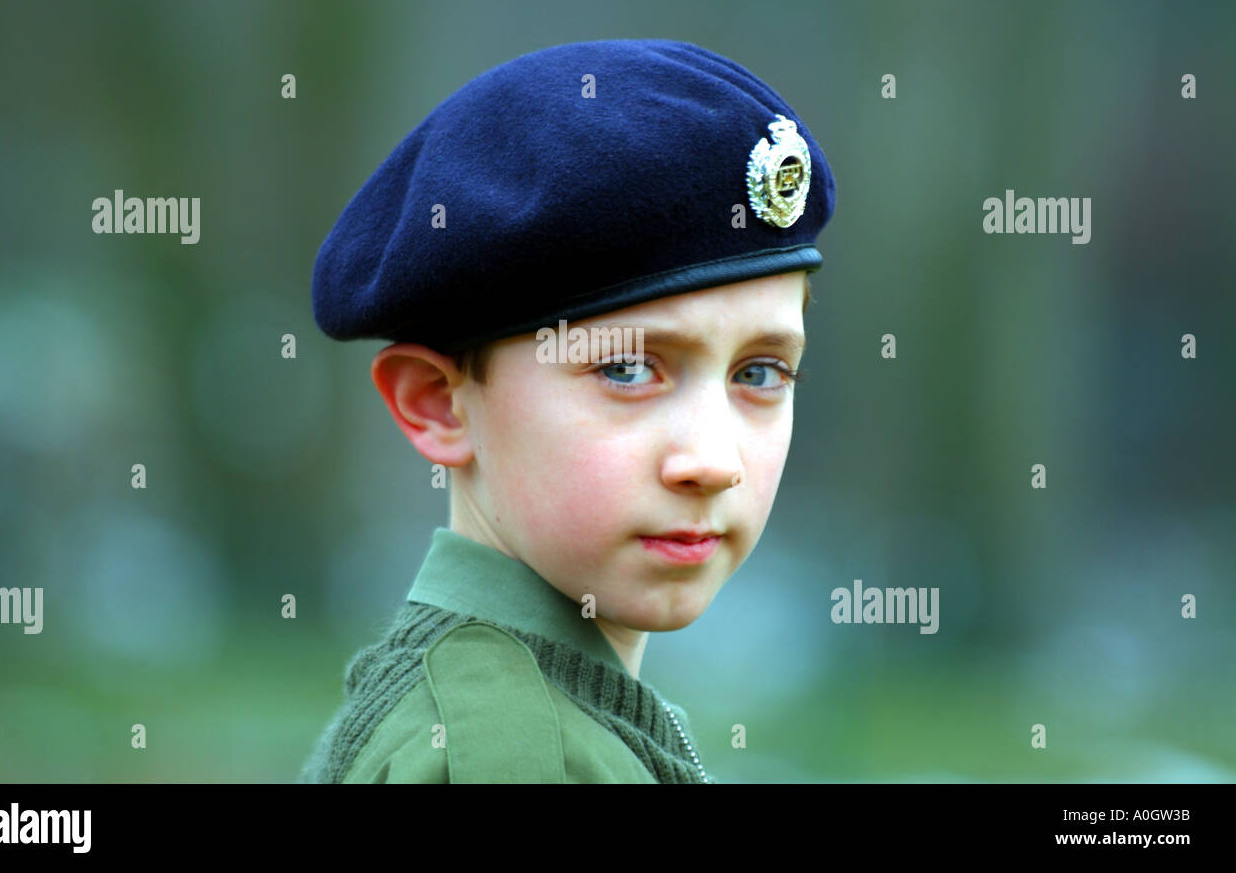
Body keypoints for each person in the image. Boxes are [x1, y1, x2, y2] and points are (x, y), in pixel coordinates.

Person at [300, 38, 836, 783]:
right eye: (626, 367)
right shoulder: (512, 753)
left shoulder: (504, 711)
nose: (714, 460)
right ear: (440, 404)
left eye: (760, 371)